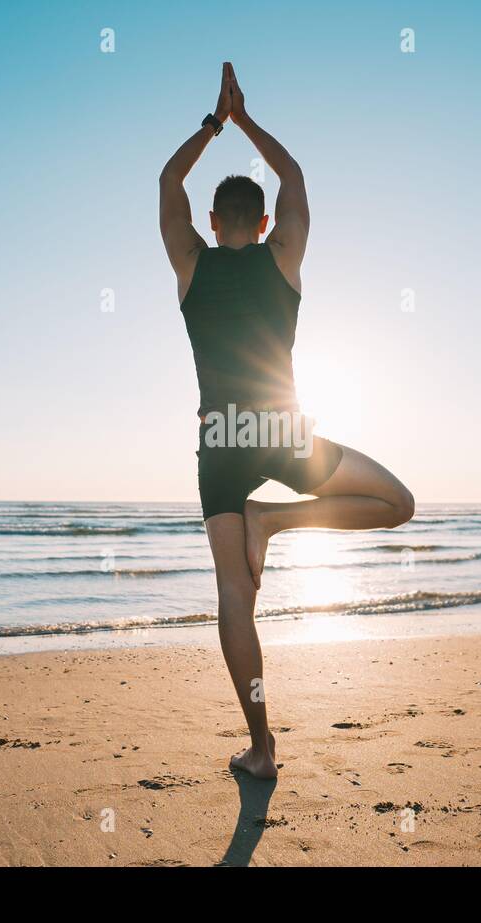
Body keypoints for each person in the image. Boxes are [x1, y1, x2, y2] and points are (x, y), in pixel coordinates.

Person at [158, 63, 414, 778]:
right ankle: (279, 519)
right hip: (281, 430)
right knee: (398, 503)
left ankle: (262, 750)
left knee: (235, 599)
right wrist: (244, 123)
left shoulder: (190, 265)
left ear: (212, 224)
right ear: (265, 222)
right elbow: (293, 171)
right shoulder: (284, 257)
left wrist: (212, 125)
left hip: (220, 442)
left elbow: (165, 185)